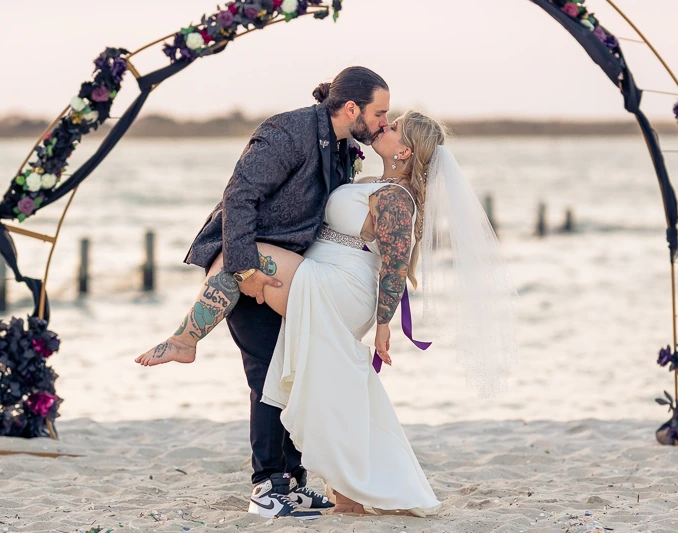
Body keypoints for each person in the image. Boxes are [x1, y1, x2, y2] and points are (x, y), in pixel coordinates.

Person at [138, 108, 518, 516]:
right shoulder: (373, 182)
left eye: (393, 127)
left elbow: (393, 266)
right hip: (324, 273)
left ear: (405, 151)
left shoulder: (396, 199)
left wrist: (384, 326)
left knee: (248, 256)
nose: (383, 126)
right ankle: (324, 484)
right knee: (264, 306)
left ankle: (184, 340)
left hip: (342, 285)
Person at [136, 66, 390, 520]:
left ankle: (293, 482)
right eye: (379, 113)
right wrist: (245, 268)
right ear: (351, 108)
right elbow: (239, 196)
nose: (383, 123)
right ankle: (266, 486)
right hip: (249, 270)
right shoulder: (286, 130)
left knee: (294, 370)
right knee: (267, 373)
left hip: (295, 274)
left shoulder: (342, 147)